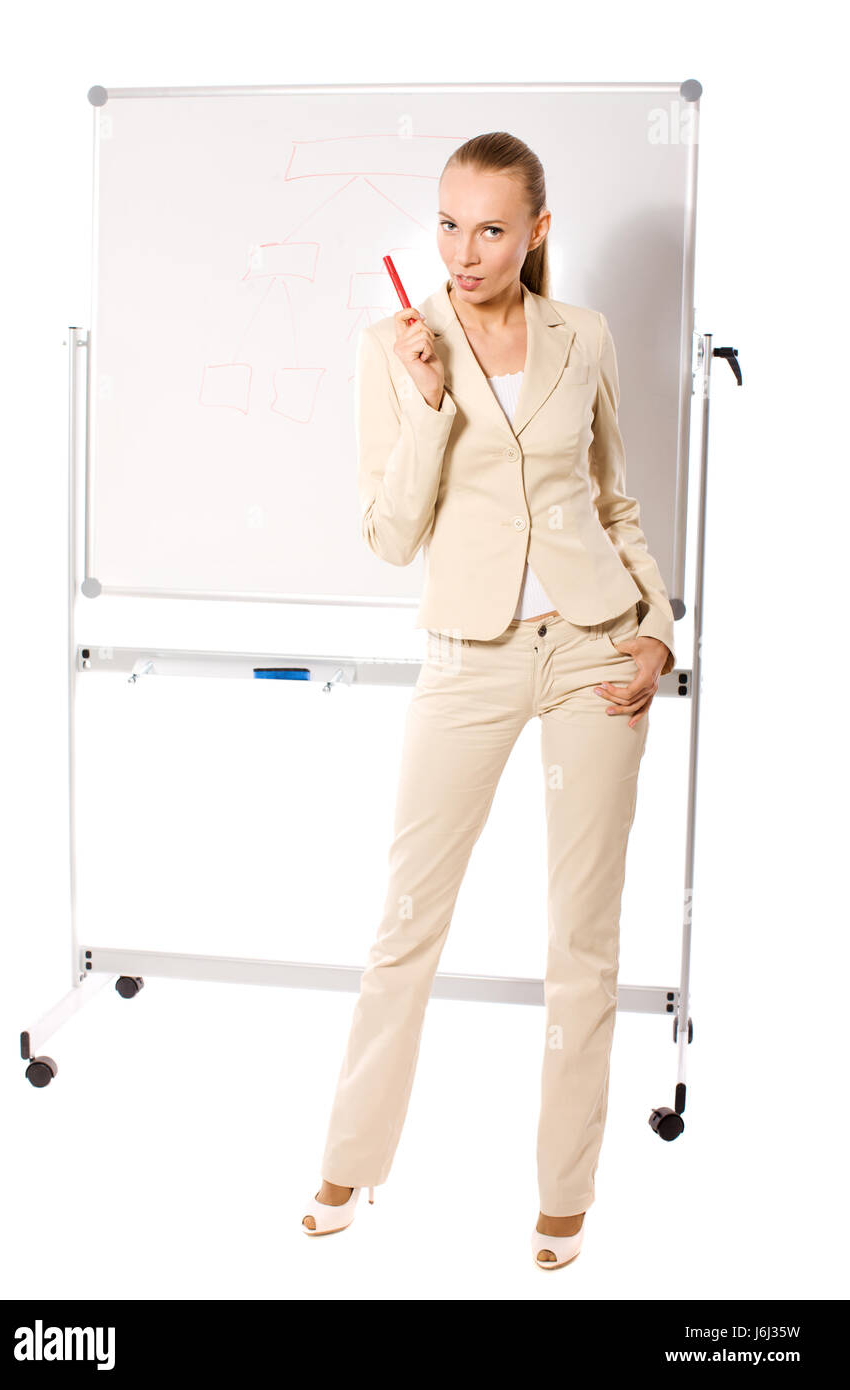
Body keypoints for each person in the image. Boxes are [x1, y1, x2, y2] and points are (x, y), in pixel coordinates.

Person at [301, 131, 676, 1269]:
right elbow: (387, 536)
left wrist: (654, 628)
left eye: (493, 228)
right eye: (450, 223)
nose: (465, 251)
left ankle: (565, 1192)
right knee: (408, 920)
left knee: (584, 938)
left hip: (593, 647)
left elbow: (614, 502)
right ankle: (351, 1159)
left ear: (538, 232)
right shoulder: (392, 346)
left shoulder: (586, 337)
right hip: (467, 653)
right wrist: (427, 402)